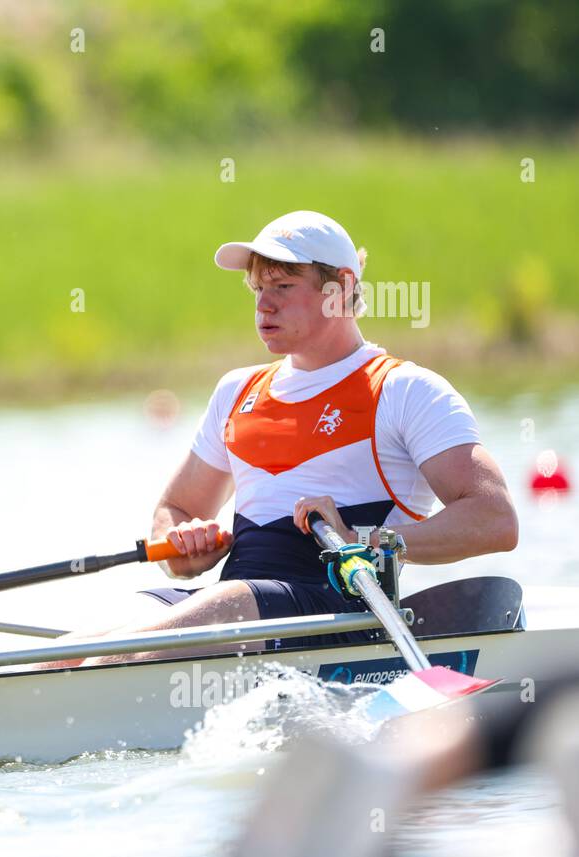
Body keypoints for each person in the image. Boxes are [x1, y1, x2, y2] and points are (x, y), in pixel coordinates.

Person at [59, 210, 518, 664]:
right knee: (58, 658)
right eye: (258, 288)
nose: (263, 305)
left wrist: (367, 540)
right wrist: (182, 545)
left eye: (282, 286)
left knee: (116, 657)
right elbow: (175, 510)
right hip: (234, 601)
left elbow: (495, 519)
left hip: (339, 611)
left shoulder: (404, 391)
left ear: (338, 290)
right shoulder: (237, 390)